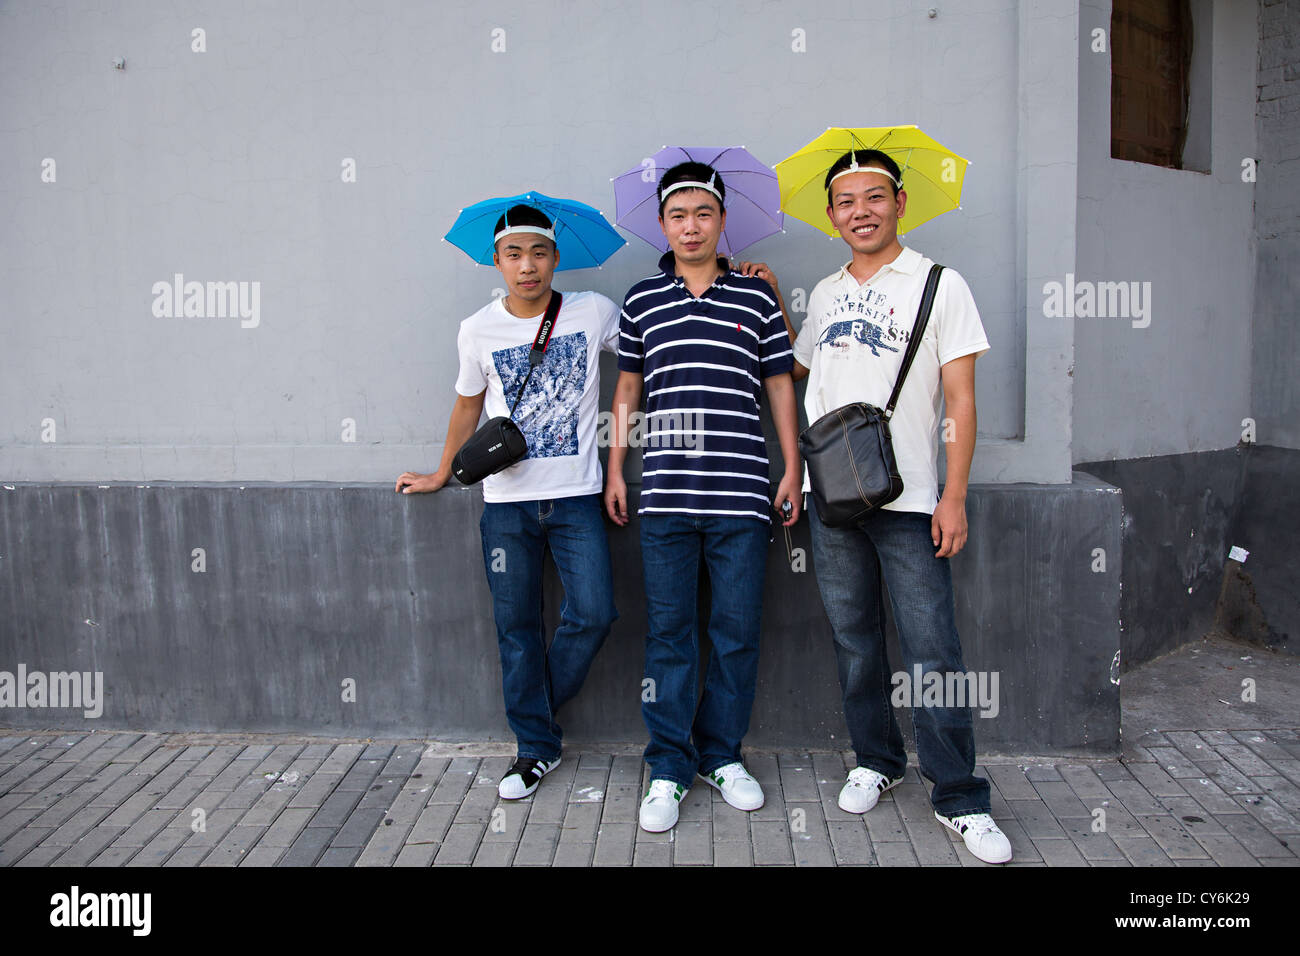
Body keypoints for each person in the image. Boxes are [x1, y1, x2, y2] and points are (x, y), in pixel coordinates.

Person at [747, 148, 1012, 864]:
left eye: (873, 197)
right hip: (831, 499)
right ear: (831, 215)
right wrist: (772, 299)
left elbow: (961, 398)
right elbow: (797, 373)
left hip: (912, 497)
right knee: (855, 640)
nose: (859, 211)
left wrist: (954, 495)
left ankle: (959, 795)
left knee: (933, 650)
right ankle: (877, 759)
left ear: (899, 202)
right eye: (845, 201)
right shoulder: (828, 292)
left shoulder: (938, 284)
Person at [397, 204, 619, 801]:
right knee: (516, 627)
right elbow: (468, 406)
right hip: (506, 505)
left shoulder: (593, 312)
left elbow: (655, 338)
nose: (528, 266)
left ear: (555, 257)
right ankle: (535, 750)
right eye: (515, 255)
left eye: (539, 253)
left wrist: (729, 273)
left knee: (595, 612)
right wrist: (442, 473)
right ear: (497, 261)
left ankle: (534, 707)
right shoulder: (478, 329)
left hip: (575, 498)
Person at [605, 161, 802, 833]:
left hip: (742, 493)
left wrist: (791, 467)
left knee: (736, 632)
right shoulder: (641, 300)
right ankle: (667, 765)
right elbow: (628, 388)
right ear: (663, 224)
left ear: (723, 222)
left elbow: (780, 383)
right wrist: (615, 468)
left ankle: (721, 756)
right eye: (678, 215)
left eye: (704, 214)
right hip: (663, 494)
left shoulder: (755, 298)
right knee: (669, 636)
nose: (692, 226)